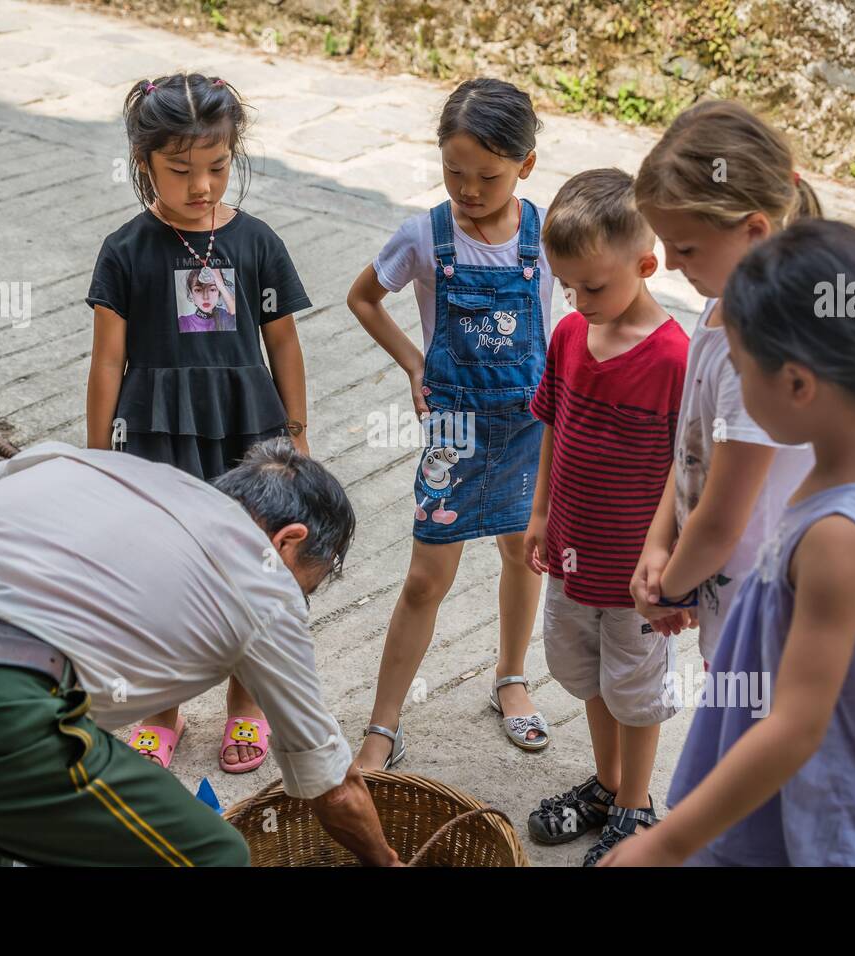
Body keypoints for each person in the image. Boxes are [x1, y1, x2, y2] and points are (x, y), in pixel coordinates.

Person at [601, 219, 855, 866]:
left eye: (739, 367)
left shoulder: (838, 540)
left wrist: (666, 842)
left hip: (836, 809)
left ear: (796, 384)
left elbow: (795, 727)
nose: (732, 383)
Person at [0, 439, 399, 867]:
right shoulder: (265, 581)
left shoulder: (100, 466)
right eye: (308, 584)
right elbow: (332, 784)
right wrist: (384, 863)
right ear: (288, 542)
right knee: (210, 853)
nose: (299, 600)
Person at [87, 73, 312, 774]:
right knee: (166, 569)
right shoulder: (126, 250)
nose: (203, 185)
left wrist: (297, 436)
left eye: (217, 167)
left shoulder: (257, 243)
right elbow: (105, 363)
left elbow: (283, 343)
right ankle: (163, 706)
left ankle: (246, 705)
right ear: (143, 162)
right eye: (181, 171)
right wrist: (99, 459)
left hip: (248, 426)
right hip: (157, 429)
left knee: (249, 561)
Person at [346, 78, 557, 767]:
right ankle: (383, 723)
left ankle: (512, 679)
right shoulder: (424, 236)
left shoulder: (548, 237)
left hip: (529, 425)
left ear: (526, 164)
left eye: (488, 177)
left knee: (522, 553)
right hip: (454, 433)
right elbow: (364, 297)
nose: (468, 189)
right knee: (422, 579)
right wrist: (413, 364)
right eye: (453, 172)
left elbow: (582, 315)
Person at [521, 169, 691, 865]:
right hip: (569, 555)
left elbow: (691, 469)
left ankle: (636, 808)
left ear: (645, 265)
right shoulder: (568, 336)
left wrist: (672, 563)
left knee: (637, 690)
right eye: (567, 286)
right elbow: (554, 427)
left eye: (594, 286)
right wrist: (539, 514)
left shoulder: (677, 358)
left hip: (637, 576)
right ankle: (609, 781)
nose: (578, 300)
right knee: (588, 675)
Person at [629, 100, 818, 665]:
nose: (666, 262)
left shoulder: (758, 349)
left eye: (684, 248)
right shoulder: (719, 304)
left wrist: (668, 586)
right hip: (723, 587)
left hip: (763, 607)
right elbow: (692, 450)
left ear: (754, 232)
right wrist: (658, 542)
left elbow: (723, 518)